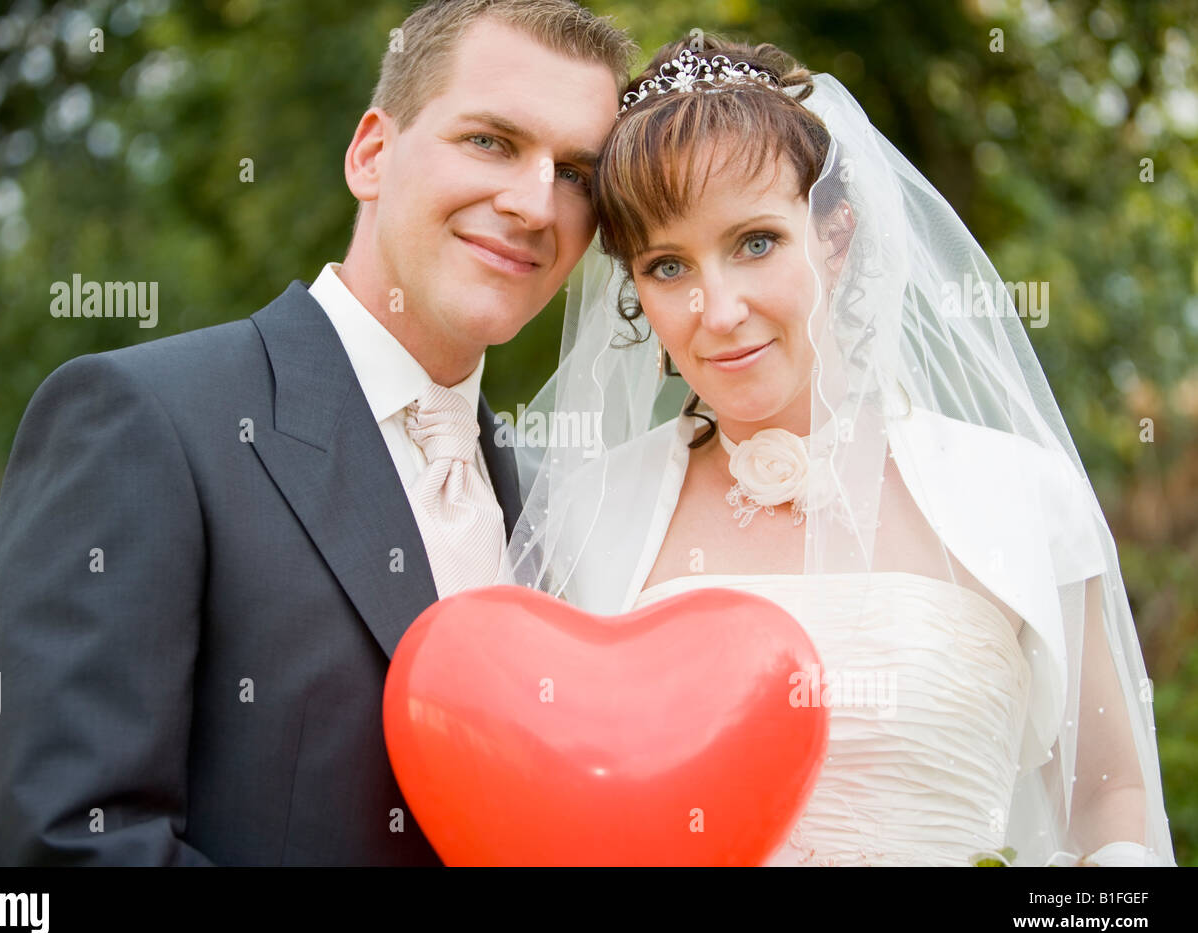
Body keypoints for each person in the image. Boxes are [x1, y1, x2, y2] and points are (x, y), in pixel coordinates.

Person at [0, 0, 634, 865]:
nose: (536, 204)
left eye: (576, 173)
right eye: (491, 142)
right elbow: (58, 847)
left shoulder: (550, 503)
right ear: (372, 155)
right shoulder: (142, 422)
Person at [503, 34, 1176, 866]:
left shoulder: (1020, 496)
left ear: (836, 236)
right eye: (668, 266)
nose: (717, 311)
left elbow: (1109, 793)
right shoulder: (588, 515)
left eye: (755, 243)